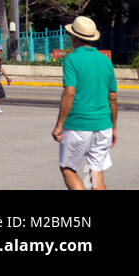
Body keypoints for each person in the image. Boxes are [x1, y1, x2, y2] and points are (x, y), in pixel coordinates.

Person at [53, 15, 118, 190]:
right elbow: (112, 97)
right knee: (96, 171)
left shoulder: (71, 59)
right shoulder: (106, 61)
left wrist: (59, 125)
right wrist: (113, 127)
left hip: (78, 125)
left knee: (67, 168)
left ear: (74, 37)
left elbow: (69, 92)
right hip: (103, 126)